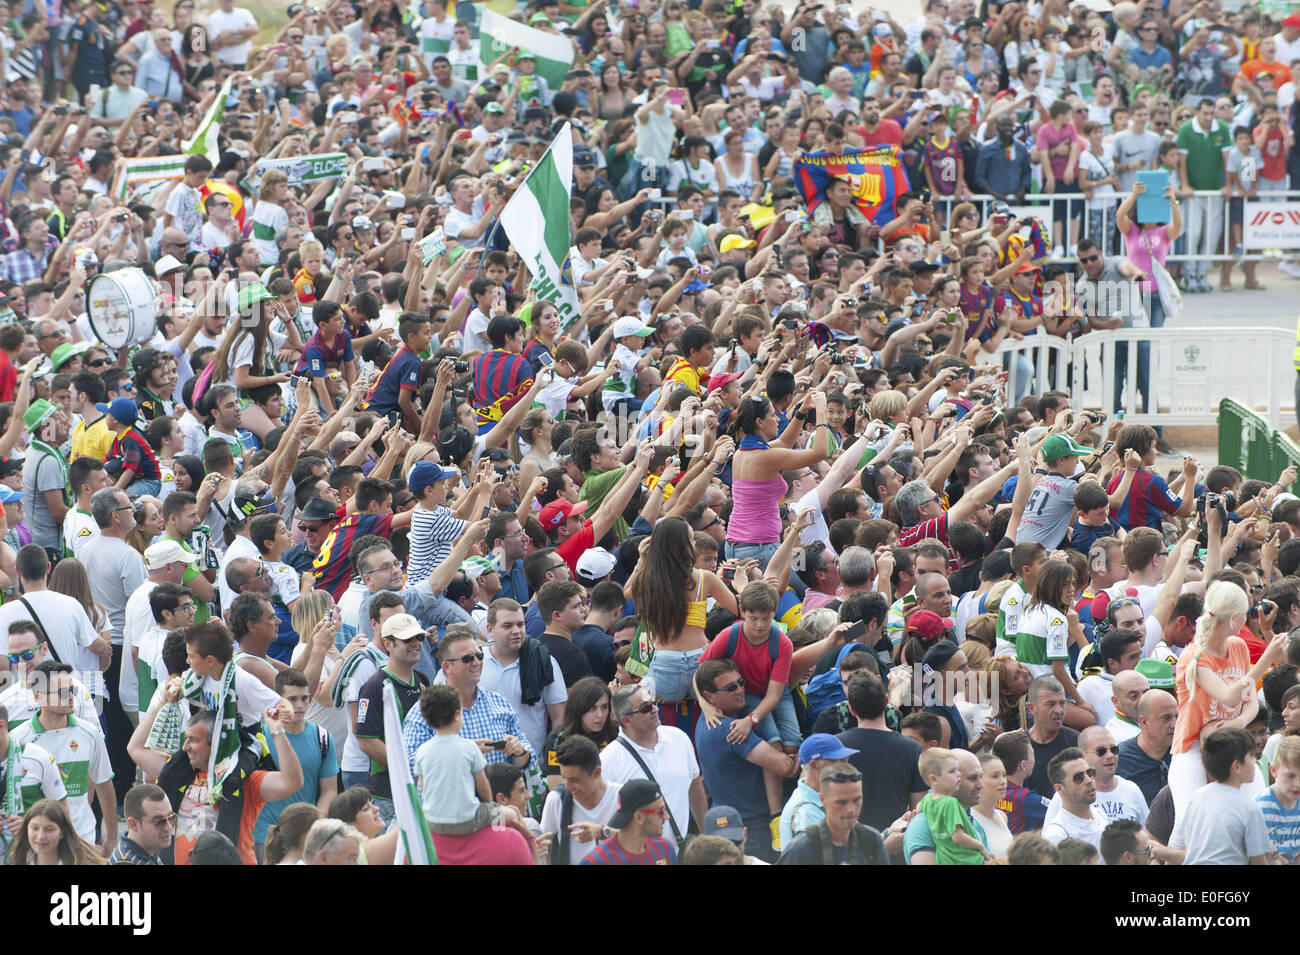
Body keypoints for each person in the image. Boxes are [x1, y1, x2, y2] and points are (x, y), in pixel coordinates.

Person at [694, 658, 799, 863]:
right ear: (709, 697)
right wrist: (795, 760)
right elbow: (784, 767)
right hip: (752, 832)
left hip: (733, 827)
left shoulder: (705, 721)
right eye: (731, 687)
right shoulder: (731, 729)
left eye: (741, 683)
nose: (740, 690)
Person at [1169, 727, 1275, 865]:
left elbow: (1188, 847)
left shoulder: (1197, 797)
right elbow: (1258, 861)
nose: (1255, 761)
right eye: (1251, 756)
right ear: (1236, 766)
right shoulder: (1249, 808)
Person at [777, 760, 890, 865]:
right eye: (841, 802)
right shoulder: (802, 849)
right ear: (823, 800)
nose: (851, 809)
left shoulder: (871, 841)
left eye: (857, 800)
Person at [539, 736, 622, 865]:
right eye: (564, 778)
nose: (567, 786)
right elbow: (542, 846)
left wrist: (603, 832)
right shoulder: (557, 799)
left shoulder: (620, 796)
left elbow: (641, 840)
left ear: (597, 773)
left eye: (574, 780)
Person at [917, 747, 993, 864]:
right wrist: (980, 846)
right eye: (952, 771)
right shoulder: (950, 803)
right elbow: (957, 837)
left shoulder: (927, 800)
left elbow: (918, 809)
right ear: (933, 779)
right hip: (969, 859)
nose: (958, 775)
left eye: (958, 770)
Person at [578, 779, 678, 865]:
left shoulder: (665, 848)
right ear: (639, 817)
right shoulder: (596, 862)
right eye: (660, 811)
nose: (666, 817)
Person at [1041, 747, 1108, 851]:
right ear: (1059, 788)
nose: (1089, 780)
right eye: (1078, 778)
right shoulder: (1057, 836)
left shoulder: (1101, 816)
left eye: (1090, 773)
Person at [8, 798, 105, 866]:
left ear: (62, 832)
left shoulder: (79, 862)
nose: (40, 836)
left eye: (49, 830)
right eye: (35, 828)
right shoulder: (21, 859)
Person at [109, 783, 173, 865]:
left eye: (171, 817)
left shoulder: (150, 849)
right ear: (133, 824)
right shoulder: (125, 862)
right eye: (159, 821)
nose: (168, 827)